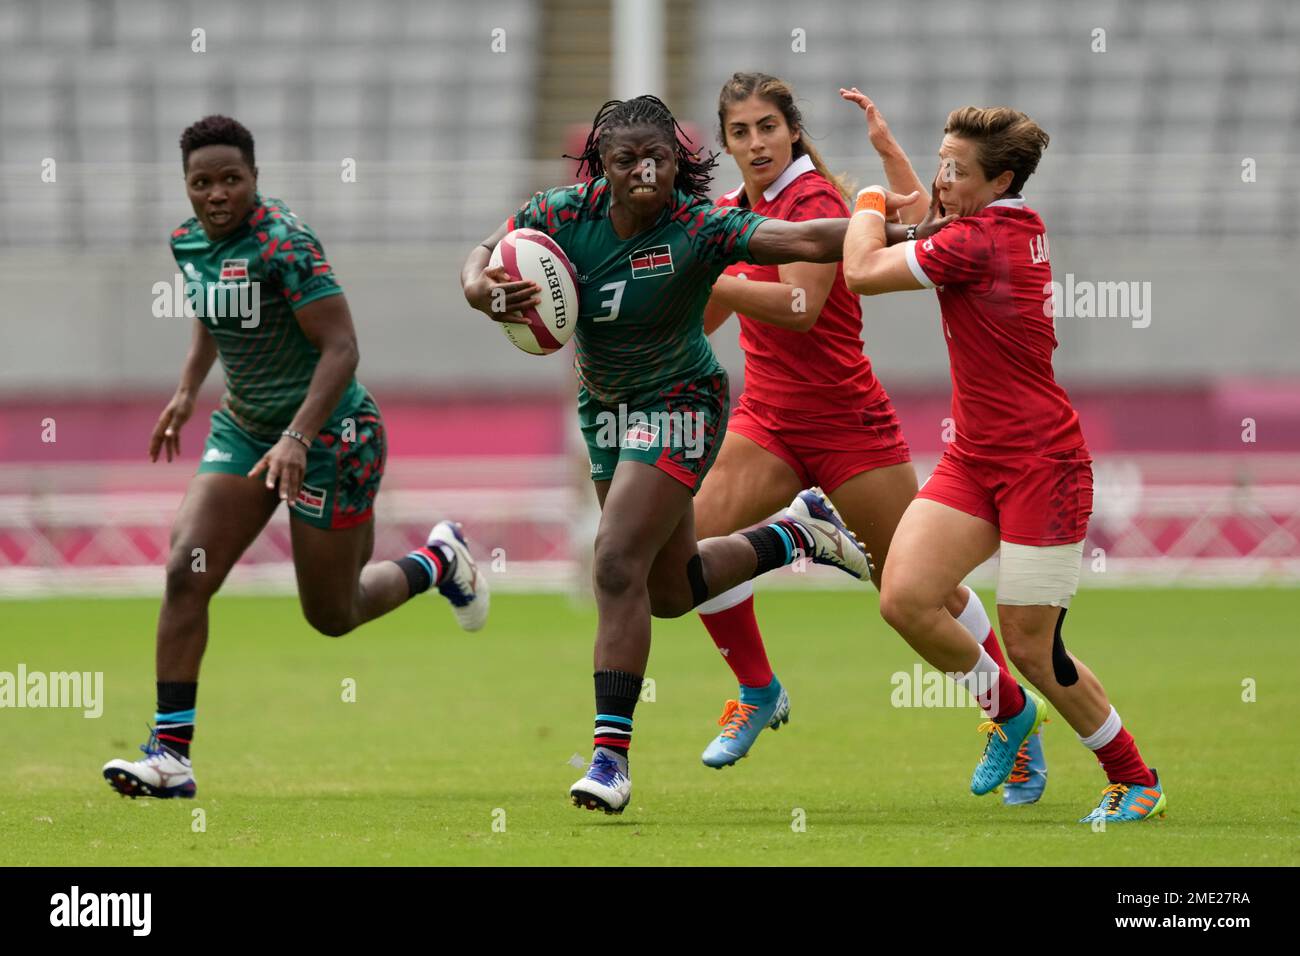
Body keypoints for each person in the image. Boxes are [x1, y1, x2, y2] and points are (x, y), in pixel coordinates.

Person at [461, 95, 924, 814]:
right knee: (669, 591)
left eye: (661, 159)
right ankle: (798, 534)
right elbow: (484, 255)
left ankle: (610, 762)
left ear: (680, 164)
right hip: (606, 411)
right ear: (600, 168)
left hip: (680, 404)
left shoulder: (700, 226)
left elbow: (803, 242)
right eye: (626, 160)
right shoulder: (558, 215)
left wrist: (910, 232)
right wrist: (480, 290)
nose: (645, 171)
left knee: (614, 561)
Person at [102, 115, 487, 800]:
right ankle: (170, 754)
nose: (216, 193)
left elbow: (342, 348)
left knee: (332, 616)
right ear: (184, 186)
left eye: (230, 179)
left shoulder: (287, 244)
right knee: (185, 570)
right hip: (246, 431)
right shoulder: (188, 242)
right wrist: (189, 389)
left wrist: (299, 438)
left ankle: (438, 561)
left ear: (255, 178)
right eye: (201, 182)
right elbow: (211, 310)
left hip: (333, 439)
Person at [691, 73, 1046, 805]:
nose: (755, 142)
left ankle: (1011, 717)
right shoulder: (729, 213)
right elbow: (705, 326)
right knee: (680, 554)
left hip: (849, 427)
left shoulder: (815, 201)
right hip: (767, 423)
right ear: (725, 142)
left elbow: (797, 304)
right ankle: (758, 688)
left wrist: (710, 276)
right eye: (739, 132)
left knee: (919, 593)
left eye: (766, 127)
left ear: (791, 130)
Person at [839, 91, 1165, 823]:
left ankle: (1135, 778)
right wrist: (894, 154)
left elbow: (860, 270)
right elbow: (931, 210)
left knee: (1030, 643)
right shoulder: (1000, 222)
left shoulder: (976, 242)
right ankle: (1011, 717)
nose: (942, 180)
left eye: (956, 170)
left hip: (1042, 466)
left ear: (1000, 184)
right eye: (941, 165)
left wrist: (863, 194)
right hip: (975, 457)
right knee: (904, 598)